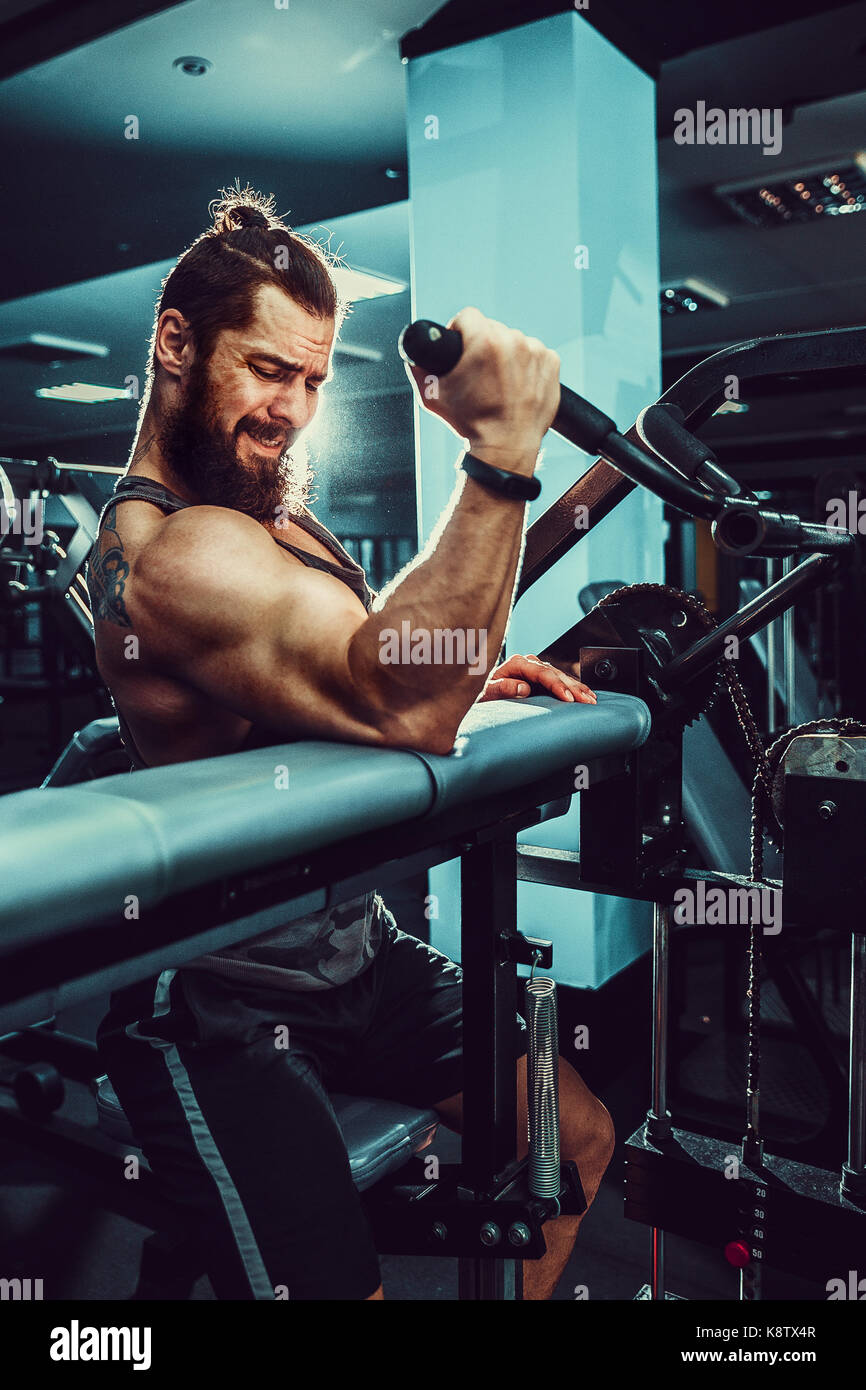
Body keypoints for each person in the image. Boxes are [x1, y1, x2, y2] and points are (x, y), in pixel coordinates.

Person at [88, 184, 614, 1301]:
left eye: (316, 379)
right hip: (222, 999)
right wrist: (500, 454)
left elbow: (382, 663)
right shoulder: (170, 558)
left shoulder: (279, 518)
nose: (294, 408)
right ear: (177, 342)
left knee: (569, 1143)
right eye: (269, 369)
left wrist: (468, 671)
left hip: (353, 955)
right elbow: (398, 702)